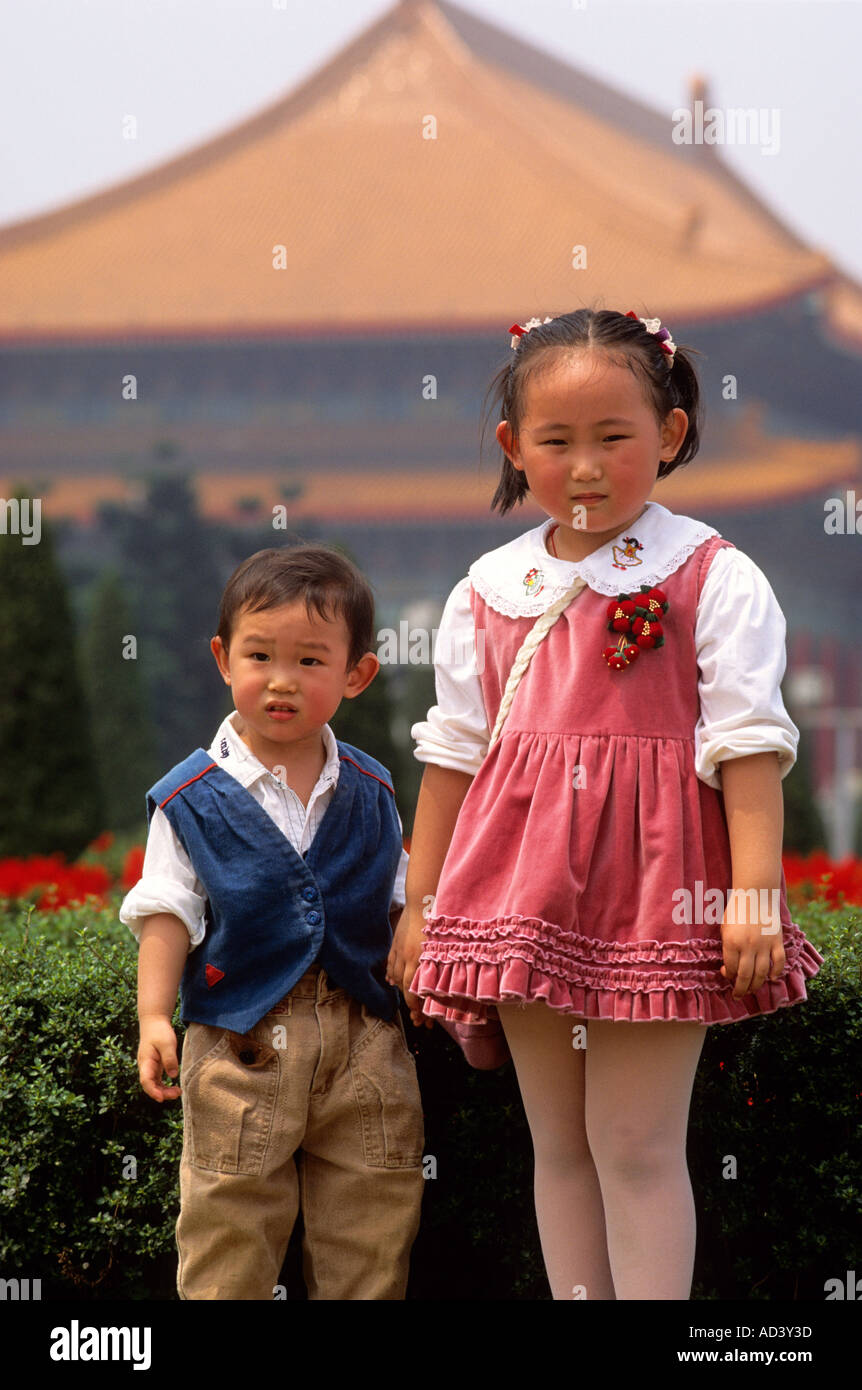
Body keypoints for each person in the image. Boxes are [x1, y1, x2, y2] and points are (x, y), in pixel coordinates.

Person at [387, 307, 823, 1301]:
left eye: (614, 437)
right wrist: (421, 903)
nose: (585, 467)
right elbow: (452, 758)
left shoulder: (712, 575)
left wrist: (754, 894)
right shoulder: (487, 589)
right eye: (556, 442)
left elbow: (749, 745)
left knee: (634, 1143)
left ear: (669, 434)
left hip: (658, 895)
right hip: (523, 893)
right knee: (563, 1144)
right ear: (513, 447)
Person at [121, 543, 424, 1300]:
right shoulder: (188, 796)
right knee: (230, 1228)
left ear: (357, 674)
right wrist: (154, 1015)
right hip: (238, 1042)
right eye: (260, 655)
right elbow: (166, 908)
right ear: (223, 659)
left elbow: (400, 897)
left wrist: (420, 957)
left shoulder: (372, 787)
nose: (282, 680)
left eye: (311, 661)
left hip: (365, 1040)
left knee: (373, 1226)